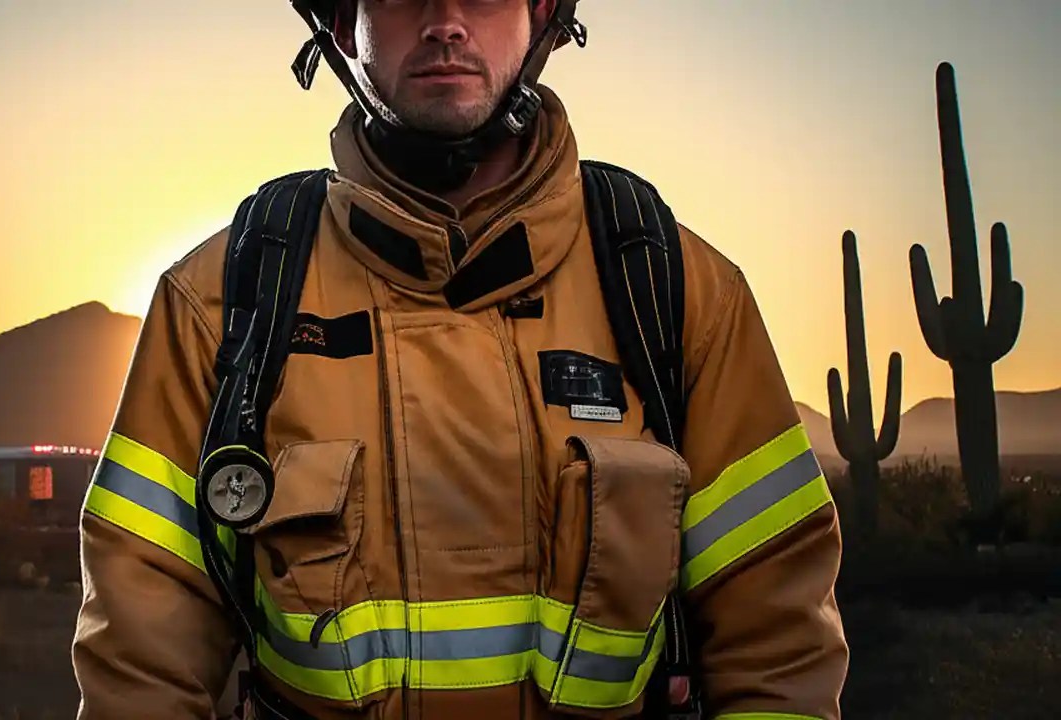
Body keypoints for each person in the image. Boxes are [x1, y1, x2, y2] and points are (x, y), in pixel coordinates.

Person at [71, 1, 850, 718]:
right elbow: (142, 662)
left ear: (541, 12)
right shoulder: (220, 304)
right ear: (345, 25)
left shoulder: (677, 294)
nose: (445, 21)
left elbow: (778, 650)